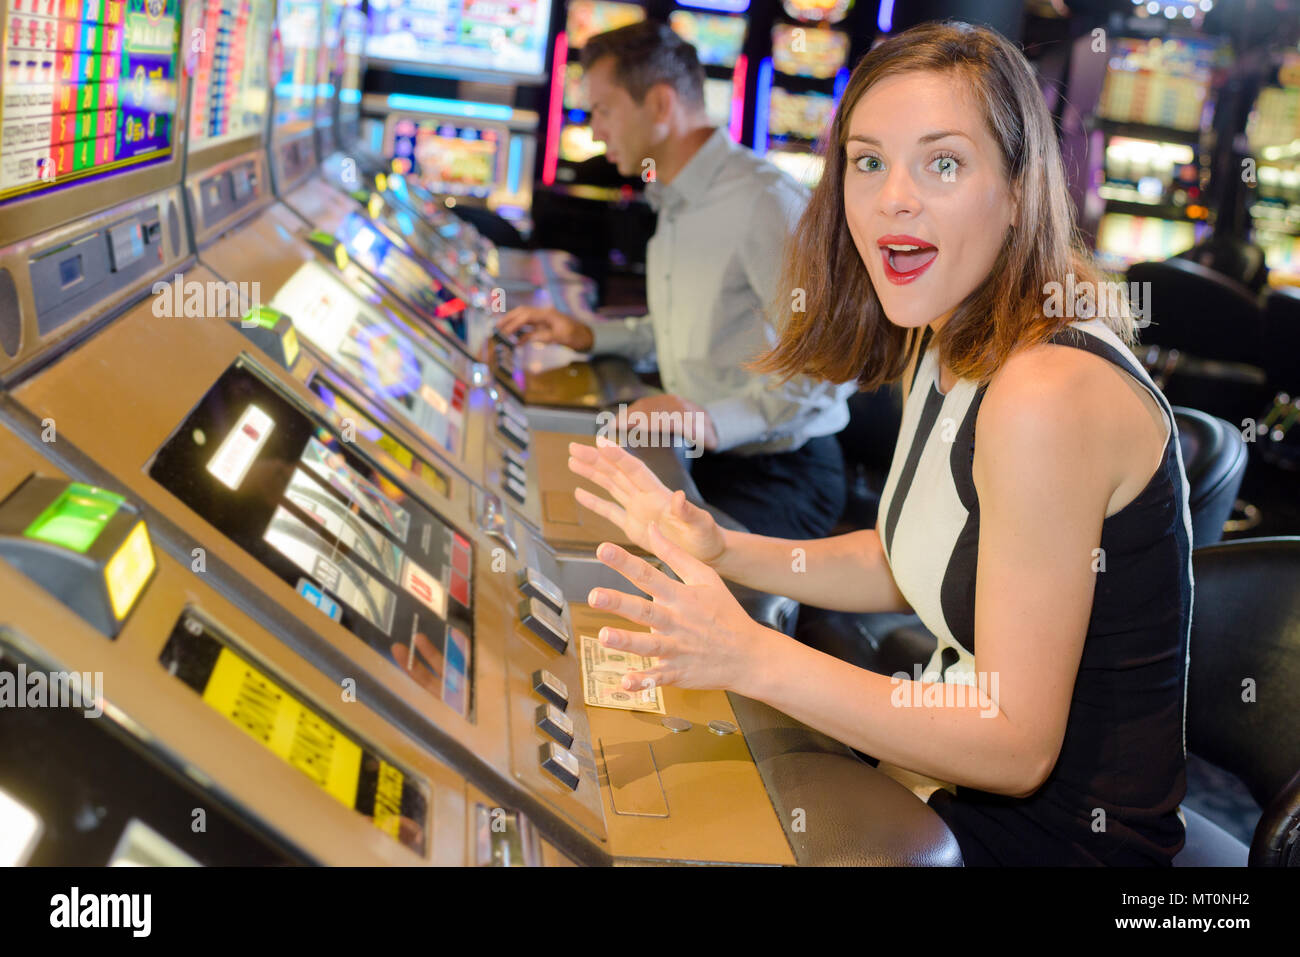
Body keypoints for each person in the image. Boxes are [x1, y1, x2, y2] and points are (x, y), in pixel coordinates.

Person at [564, 21, 1193, 866]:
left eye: (942, 163)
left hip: (1060, 838)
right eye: (868, 161)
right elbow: (913, 557)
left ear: (1016, 190)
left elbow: (1014, 745)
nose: (892, 197)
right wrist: (722, 547)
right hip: (937, 774)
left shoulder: (1047, 391)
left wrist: (754, 654)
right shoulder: (945, 330)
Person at [497, 21, 850, 539]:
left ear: (660, 105)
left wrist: (710, 420)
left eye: (603, 110)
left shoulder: (762, 204)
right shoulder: (678, 194)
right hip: (708, 453)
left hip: (780, 473)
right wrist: (589, 335)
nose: (594, 130)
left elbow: (826, 367)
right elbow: (686, 329)